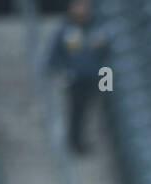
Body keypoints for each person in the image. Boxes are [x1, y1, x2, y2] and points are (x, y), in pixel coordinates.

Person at [45, 0, 110, 155]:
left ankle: (84, 141)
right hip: (75, 79)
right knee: (76, 110)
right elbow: (55, 55)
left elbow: (106, 55)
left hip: (96, 78)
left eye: (83, 6)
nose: (80, 9)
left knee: (92, 111)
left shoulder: (96, 29)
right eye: (77, 6)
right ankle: (73, 142)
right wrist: (62, 71)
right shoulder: (65, 30)